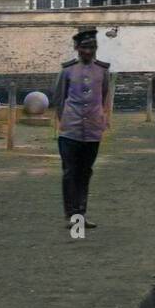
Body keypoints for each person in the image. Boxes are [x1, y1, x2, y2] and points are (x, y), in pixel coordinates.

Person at [52, 27, 112, 229]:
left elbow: (104, 98)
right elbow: (59, 100)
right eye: (85, 47)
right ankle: (72, 215)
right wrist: (65, 121)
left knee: (85, 172)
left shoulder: (102, 71)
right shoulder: (68, 71)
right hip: (70, 131)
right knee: (70, 172)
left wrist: (101, 120)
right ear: (77, 48)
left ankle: (81, 213)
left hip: (93, 131)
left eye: (93, 47)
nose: (89, 51)